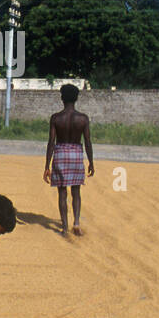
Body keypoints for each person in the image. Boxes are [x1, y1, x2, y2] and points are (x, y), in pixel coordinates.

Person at [44, 84, 94, 236]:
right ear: (77, 98)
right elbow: (87, 141)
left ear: (62, 98)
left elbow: (51, 142)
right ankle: (77, 223)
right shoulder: (83, 118)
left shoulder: (56, 118)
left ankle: (65, 227)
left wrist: (47, 165)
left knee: (62, 192)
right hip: (76, 154)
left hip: (60, 153)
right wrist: (91, 161)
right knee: (76, 191)